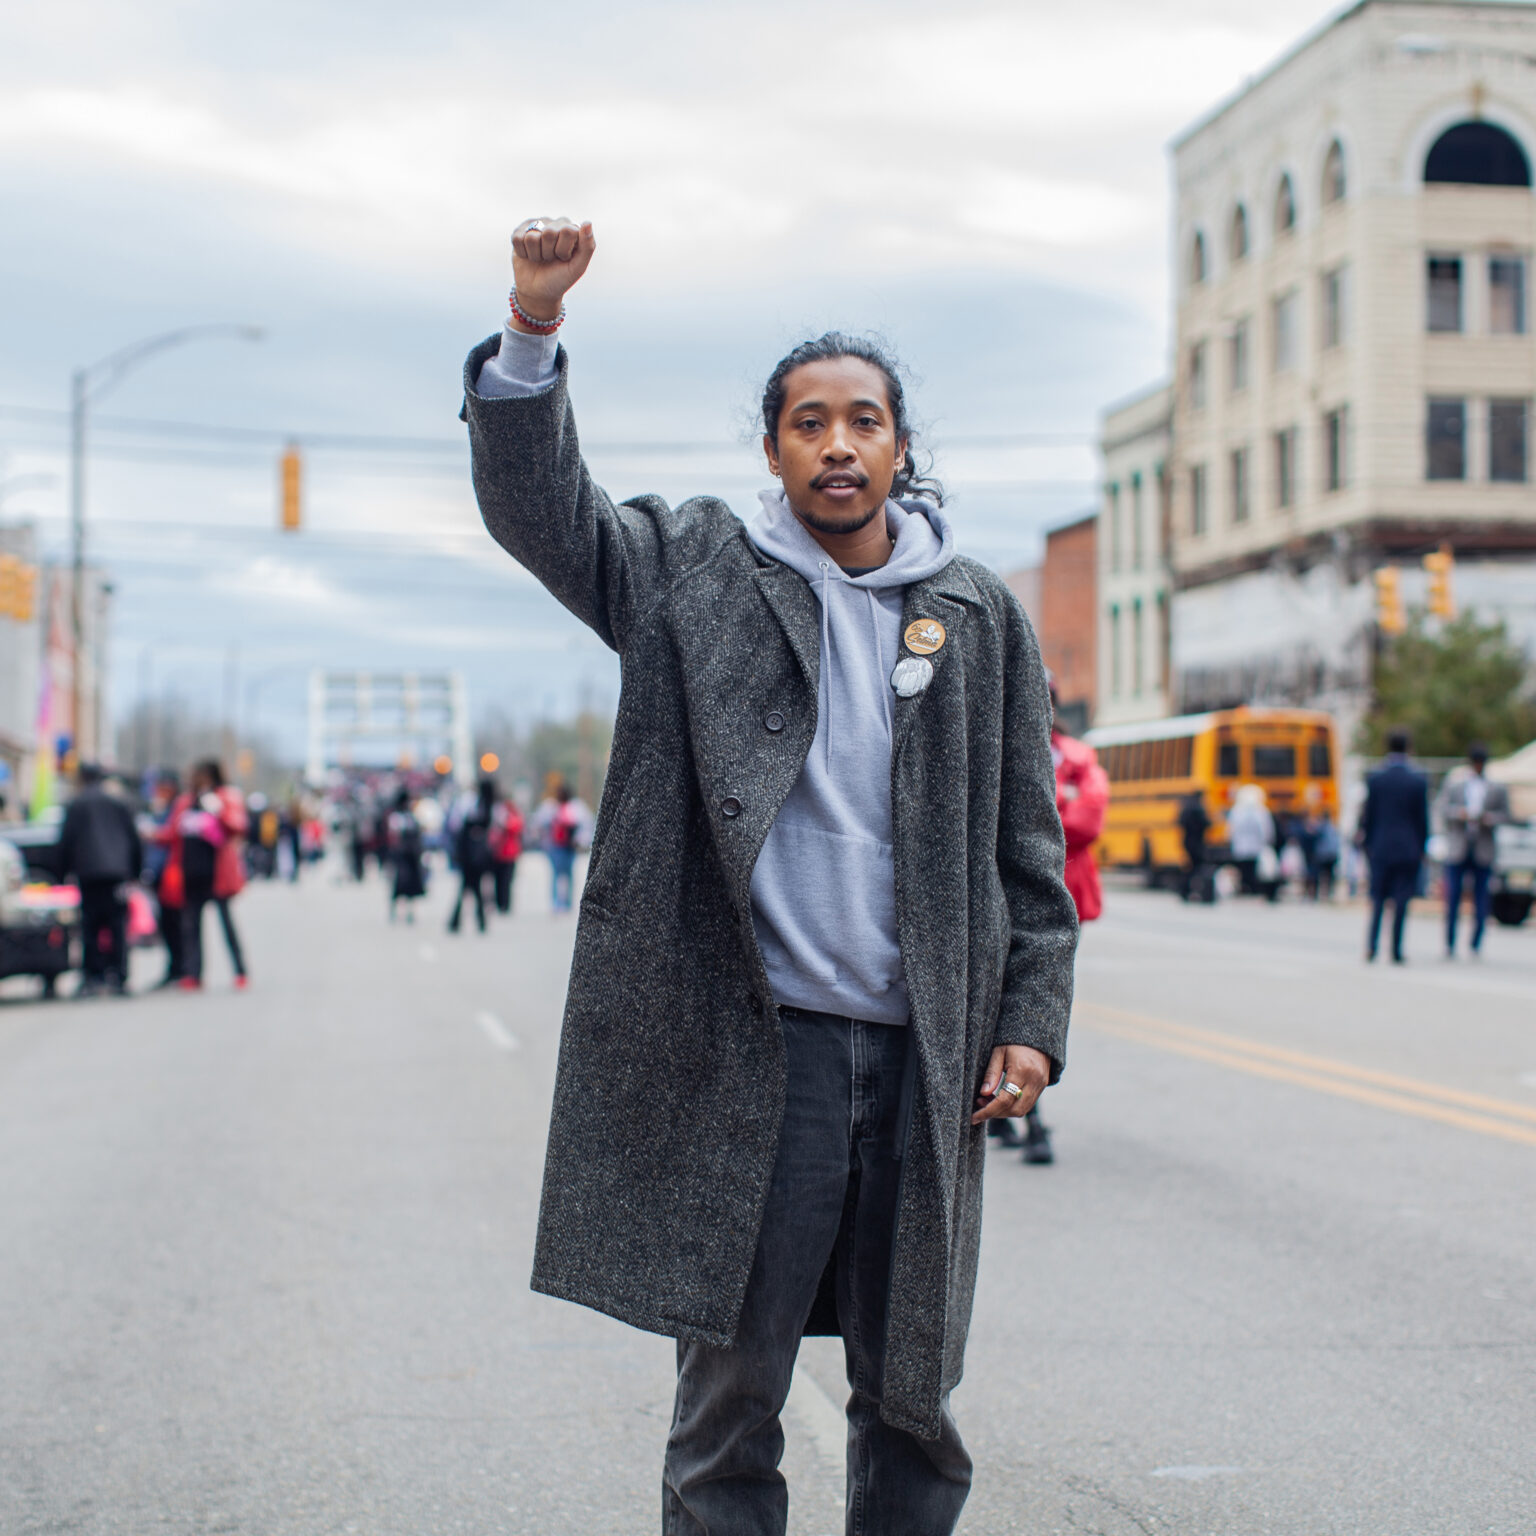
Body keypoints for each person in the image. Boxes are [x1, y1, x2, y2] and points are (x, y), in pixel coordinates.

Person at [462, 216, 1078, 1533]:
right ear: (773, 448)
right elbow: (544, 516)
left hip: (923, 1063)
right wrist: (533, 327)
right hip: (765, 1058)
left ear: (902, 447)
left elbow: (1033, 855)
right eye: (809, 422)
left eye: (864, 420)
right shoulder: (697, 573)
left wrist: (1031, 1022)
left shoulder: (974, 618)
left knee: (911, 1396)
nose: (839, 444)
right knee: (732, 1394)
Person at [995, 676, 1106, 1165]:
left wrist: (1041, 815)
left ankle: (1031, 1116)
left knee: (1034, 1005)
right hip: (996, 891)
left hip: (1060, 893)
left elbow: (1088, 822)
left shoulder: (1078, 758)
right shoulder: (993, 744)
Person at [58, 763, 143, 996]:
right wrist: (136, 871)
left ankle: (93, 975)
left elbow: (66, 840)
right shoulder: (118, 801)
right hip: (116, 872)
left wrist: (62, 873)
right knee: (117, 925)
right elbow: (134, 838)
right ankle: (119, 975)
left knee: (90, 926)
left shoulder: (77, 803)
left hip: (88, 873)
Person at [168, 760, 249, 990]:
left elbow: (238, 826)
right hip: (192, 872)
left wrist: (218, 809)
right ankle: (193, 973)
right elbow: (172, 832)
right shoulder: (186, 802)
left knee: (226, 924)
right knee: (191, 927)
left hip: (217, 873)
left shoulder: (225, 798)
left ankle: (240, 971)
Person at [1358, 729, 1429, 964]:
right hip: (1408, 848)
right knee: (1401, 900)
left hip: (1380, 846)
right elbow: (1422, 819)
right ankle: (1396, 949)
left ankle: (1372, 946)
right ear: (1408, 747)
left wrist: (1367, 843)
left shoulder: (1376, 778)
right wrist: (1422, 847)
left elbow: (1368, 815)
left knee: (1378, 898)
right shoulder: (1418, 780)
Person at [1437, 742, 1511, 958]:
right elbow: (1443, 809)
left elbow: (1505, 815)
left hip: (1482, 848)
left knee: (1481, 899)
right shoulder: (1456, 785)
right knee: (1453, 899)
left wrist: (1489, 818)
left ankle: (1476, 943)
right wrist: (1459, 814)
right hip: (1459, 847)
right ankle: (1450, 943)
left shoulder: (1496, 788)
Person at [143, 769, 185, 987]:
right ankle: (175, 967)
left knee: (176, 922)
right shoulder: (161, 808)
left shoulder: (179, 807)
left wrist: (155, 833)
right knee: (167, 923)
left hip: (173, 872)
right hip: (160, 872)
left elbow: (172, 834)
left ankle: (181, 968)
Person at [447, 778, 496, 934]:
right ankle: (473, 921)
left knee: (469, 888)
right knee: (473, 888)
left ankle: (457, 922)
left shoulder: (474, 804)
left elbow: (455, 825)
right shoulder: (483, 805)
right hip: (475, 855)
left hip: (470, 855)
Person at [386, 787, 428, 923]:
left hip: (412, 855)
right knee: (399, 883)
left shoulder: (411, 816)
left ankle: (410, 911)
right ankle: (394, 911)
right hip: (401, 855)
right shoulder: (397, 817)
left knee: (411, 885)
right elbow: (393, 836)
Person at [1227, 783, 1276, 897]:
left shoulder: (1237, 811)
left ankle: (1244, 887)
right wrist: (1268, 842)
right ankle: (1253, 888)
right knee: (1254, 869)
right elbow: (1266, 829)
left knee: (1243, 868)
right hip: (1256, 847)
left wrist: (1230, 842)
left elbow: (1231, 829)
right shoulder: (1261, 811)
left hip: (1240, 847)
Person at [491, 791, 524, 915]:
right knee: (499, 880)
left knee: (506, 880)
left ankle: (505, 904)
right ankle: (499, 903)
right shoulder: (499, 813)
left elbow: (515, 827)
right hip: (499, 852)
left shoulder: (513, 815)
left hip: (509, 853)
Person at [1178, 790, 1212, 902]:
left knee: (1189, 867)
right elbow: (1206, 823)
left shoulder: (1186, 808)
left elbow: (1179, 822)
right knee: (1197, 867)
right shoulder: (1198, 809)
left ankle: (1185, 890)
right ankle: (1200, 891)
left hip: (1187, 841)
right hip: (1197, 843)